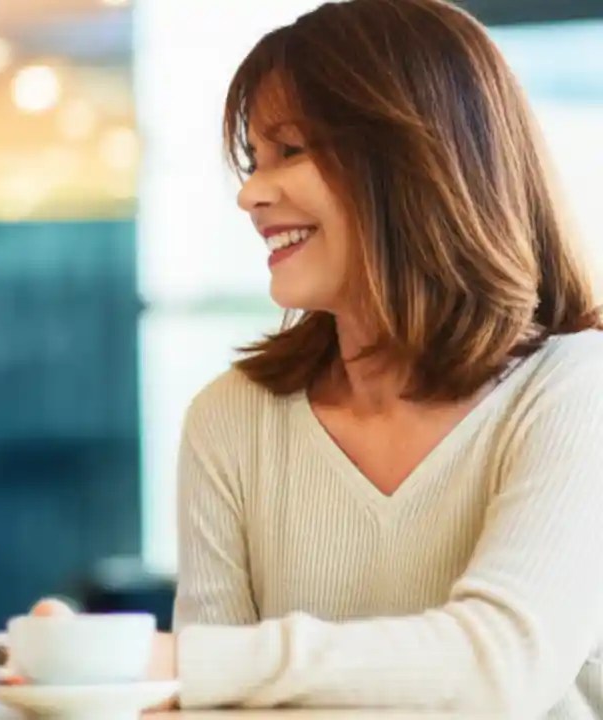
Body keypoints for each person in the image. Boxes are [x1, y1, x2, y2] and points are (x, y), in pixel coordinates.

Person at [39, 0, 603, 716]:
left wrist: (178, 663)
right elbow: (212, 704)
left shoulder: (577, 391)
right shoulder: (231, 419)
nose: (249, 193)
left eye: (290, 151)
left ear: (414, 158)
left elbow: (499, 667)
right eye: (252, 159)